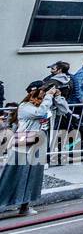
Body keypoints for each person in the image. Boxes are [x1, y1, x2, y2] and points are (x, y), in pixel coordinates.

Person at [0, 82, 54, 216]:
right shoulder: (25, 107)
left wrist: (57, 96)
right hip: (24, 141)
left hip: (38, 142)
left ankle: (24, 206)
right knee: (15, 174)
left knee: (32, 176)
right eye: (39, 96)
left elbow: (63, 110)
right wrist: (48, 97)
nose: (40, 99)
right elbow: (41, 113)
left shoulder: (44, 104)